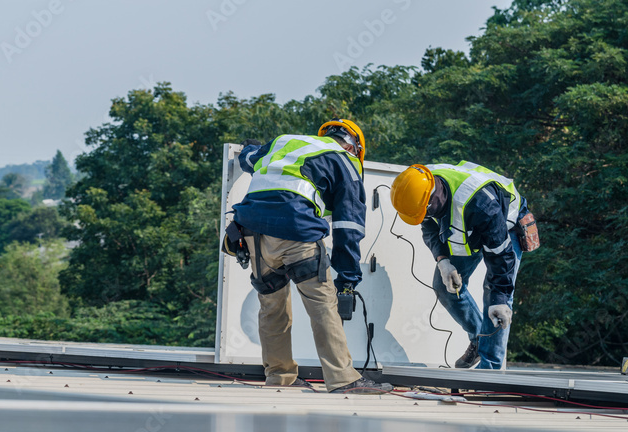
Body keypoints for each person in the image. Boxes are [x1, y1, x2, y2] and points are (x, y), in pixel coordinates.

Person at [227, 119, 392, 394]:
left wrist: (248, 148)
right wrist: (348, 278)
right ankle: (342, 378)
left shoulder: (283, 143)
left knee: (272, 306)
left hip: (251, 230)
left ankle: (280, 376)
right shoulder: (345, 161)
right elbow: (347, 228)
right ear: (354, 147)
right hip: (297, 229)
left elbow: (249, 158)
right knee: (322, 304)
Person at [390, 161, 533, 370]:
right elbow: (428, 226)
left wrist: (500, 298)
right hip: (470, 224)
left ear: (432, 201)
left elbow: (501, 257)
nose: (423, 218)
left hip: (505, 223)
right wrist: (443, 260)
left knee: (494, 298)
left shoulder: (482, 204)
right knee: (443, 285)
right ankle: (479, 339)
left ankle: (489, 371)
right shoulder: (420, 183)